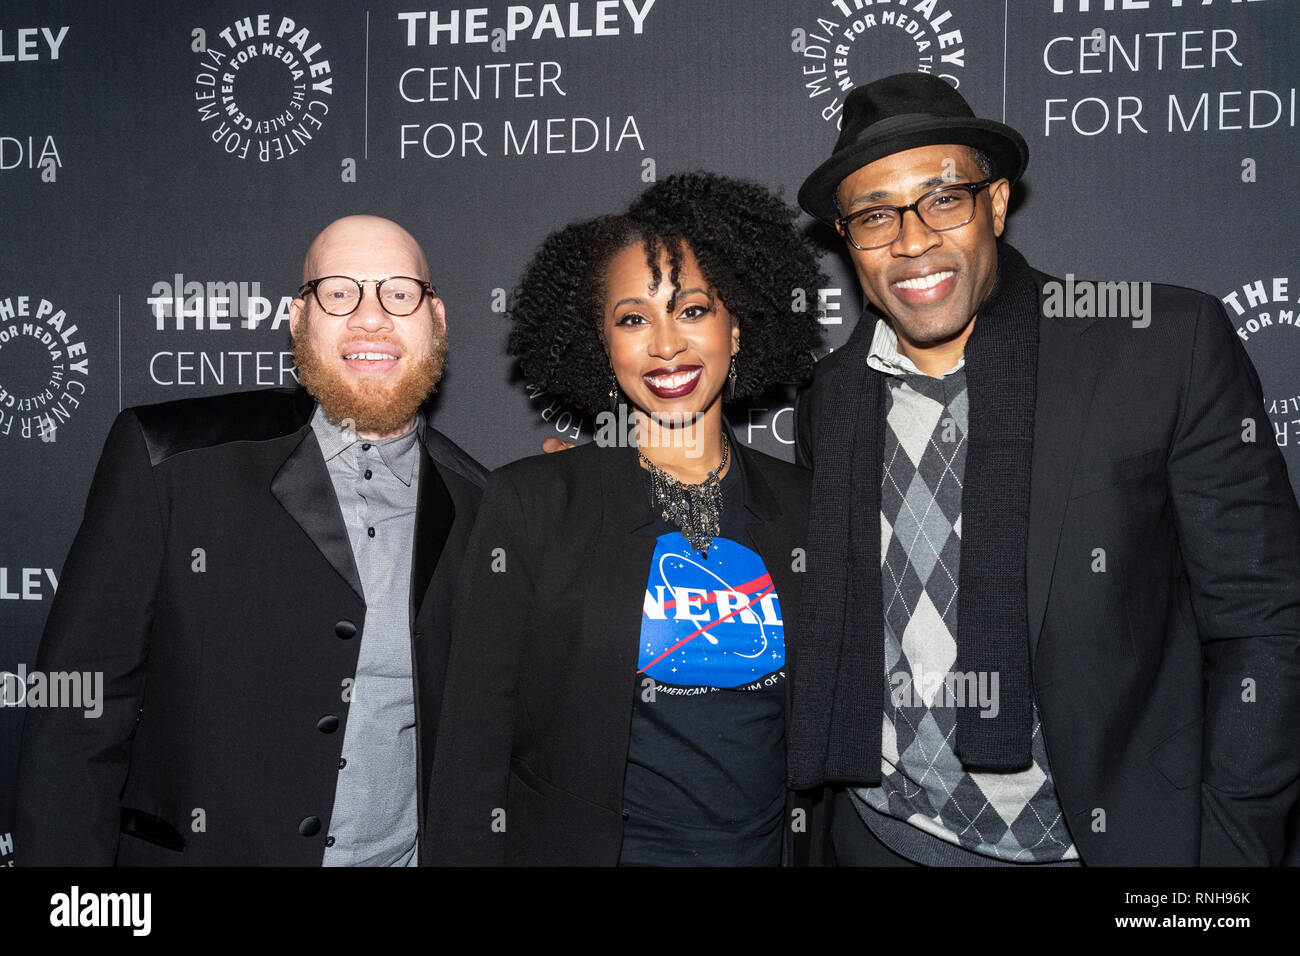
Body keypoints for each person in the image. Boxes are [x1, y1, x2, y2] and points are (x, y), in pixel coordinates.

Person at [789, 71, 1300, 866]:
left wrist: (1230, 858)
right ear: (847, 239)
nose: (913, 239)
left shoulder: (1160, 344)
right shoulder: (834, 395)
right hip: (877, 838)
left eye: (944, 198)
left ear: (995, 204)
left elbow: (1265, 626)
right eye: (874, 216)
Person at [15, 215, 486, 866]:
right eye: (339, 293)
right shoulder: (169, 462)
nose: (370, 317)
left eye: (397, 292)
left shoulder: (485, 508)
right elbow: (76, 712)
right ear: (298, 321)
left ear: (436, 318)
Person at [426, 173, 825, 865]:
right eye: (633, 319)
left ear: (740, 324)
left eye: (693, 310)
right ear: (601, 348)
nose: (666, 345)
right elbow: (472, 749)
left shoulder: (806, 507)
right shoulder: (533, 504)